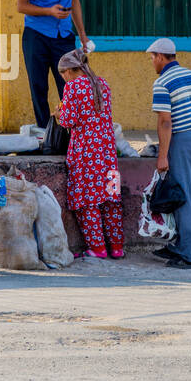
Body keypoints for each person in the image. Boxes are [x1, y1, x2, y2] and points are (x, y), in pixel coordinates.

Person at [55, 48, 123, 260]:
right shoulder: (102, 83)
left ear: (68, 71)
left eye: (62, 74)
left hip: (86, 150)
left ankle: (98, 248)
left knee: (87, 199)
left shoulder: (73, 86)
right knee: (111, 198)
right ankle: (117, 248)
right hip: (108, 150)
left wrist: (58, 113)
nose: (63, 78)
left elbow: (68, 120)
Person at [17, 0, 89, 129]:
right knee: (38, 86)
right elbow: (21, 6)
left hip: (64, 35)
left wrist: (82, 34)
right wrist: (49, 11)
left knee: (70, 85)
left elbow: (75, 0)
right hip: (36, 35)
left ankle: (71, 131)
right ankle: (45, 132)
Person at [148, 38, 191, 268]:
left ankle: (189, 256)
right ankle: (180, 246)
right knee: (189, 197)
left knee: (183, 200)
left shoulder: (162, 82)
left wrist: (162, 156)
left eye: (153, 57)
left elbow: (165, 122)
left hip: (183, 141)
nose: (152, 62)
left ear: (161, 57)